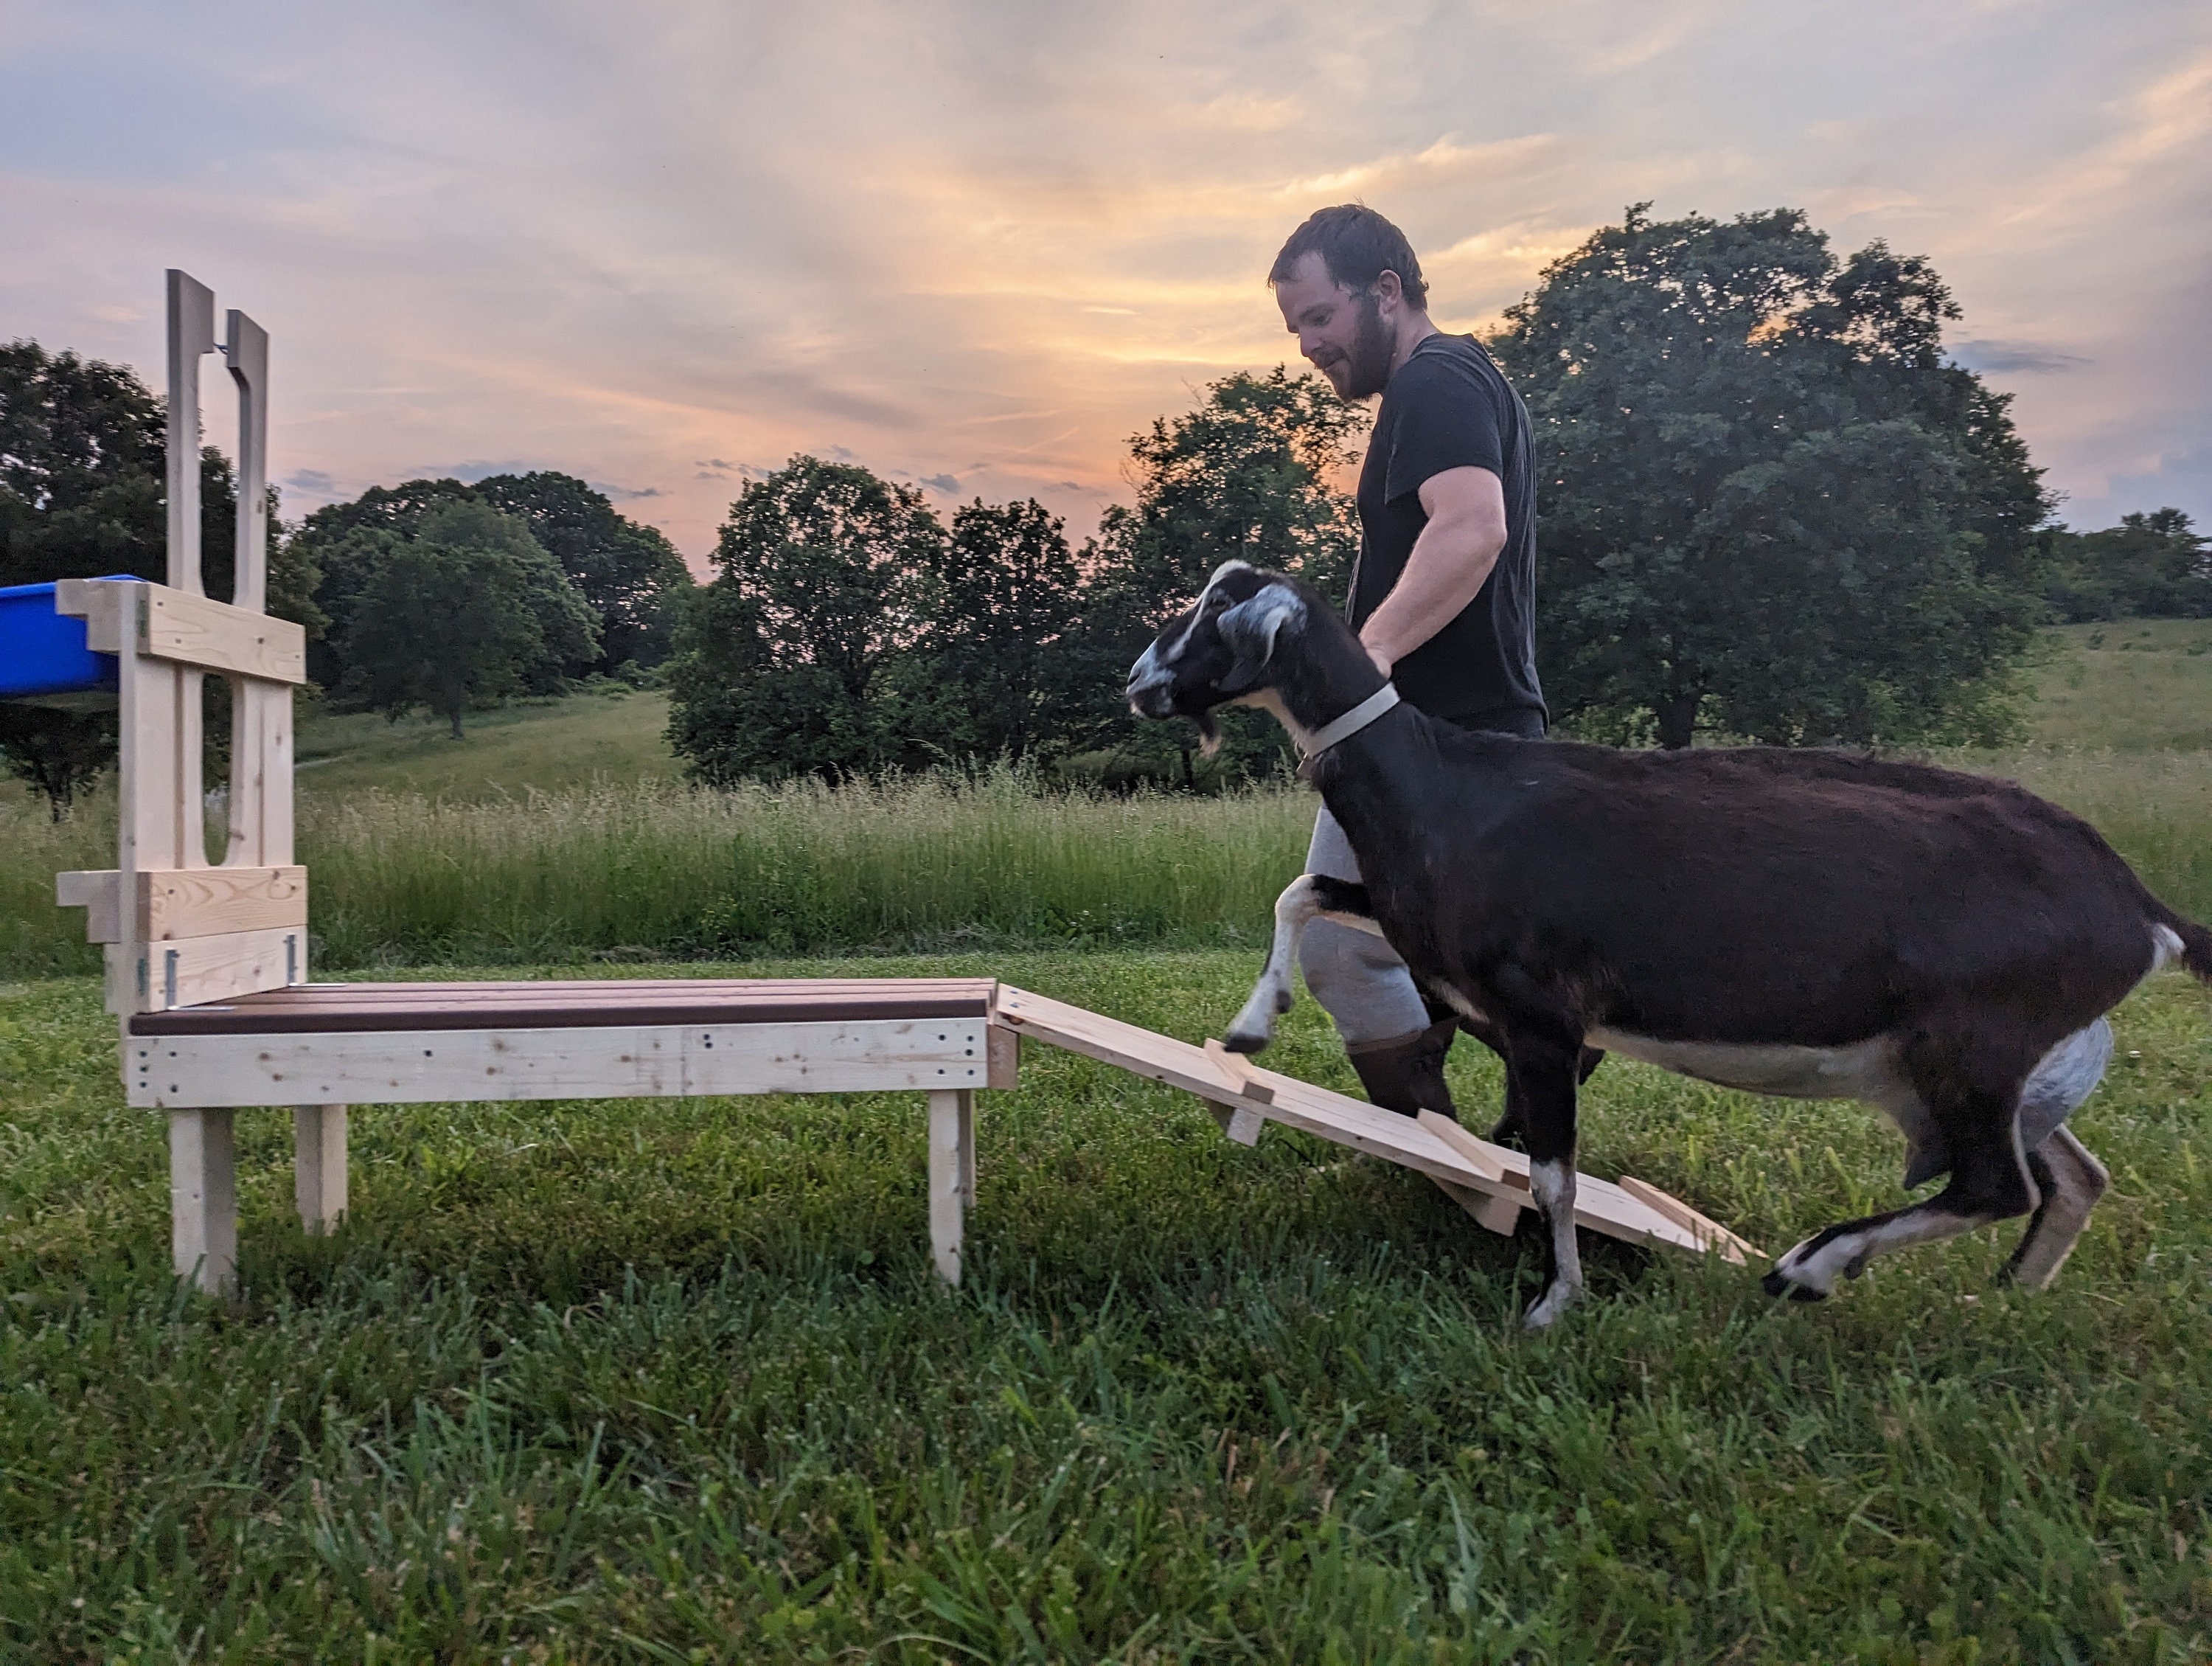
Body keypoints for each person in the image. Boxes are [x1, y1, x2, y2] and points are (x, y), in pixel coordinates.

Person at [1267, 204, 1546, 1123]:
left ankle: (1452, 1141)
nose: (1308, 346)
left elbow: (1474, 526)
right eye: (1296, 328)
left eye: (1319, 318)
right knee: (1418, 949)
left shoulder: (1437, 381)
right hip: (1454, 732)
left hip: (1439, 738)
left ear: (1385, 291)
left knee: (1349, 948)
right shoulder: (1456, 381)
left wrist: (1370, 658)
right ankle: (1463, 1135)